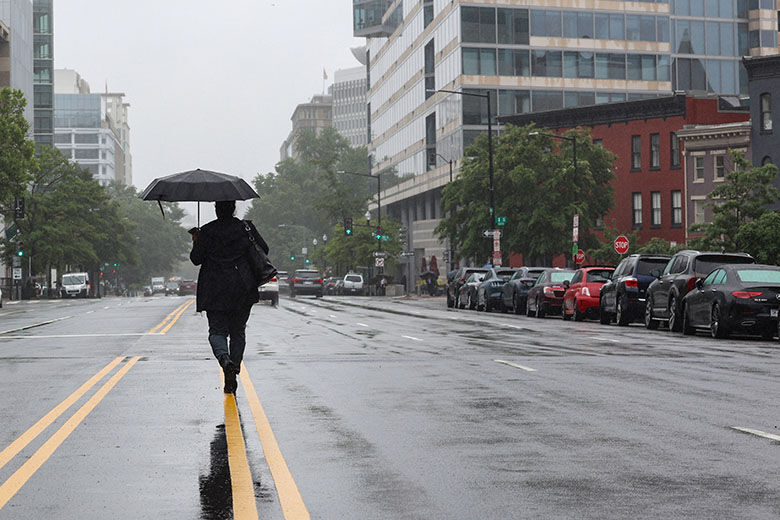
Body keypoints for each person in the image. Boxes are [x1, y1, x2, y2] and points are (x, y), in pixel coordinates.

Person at [190, 200, 260, 394]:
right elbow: (264, 249)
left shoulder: (206, 231)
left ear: (216, 210)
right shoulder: (245, 228)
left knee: (217, 332)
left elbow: (196, 259)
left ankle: (224, 360)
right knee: (238, 331)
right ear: (234, 209)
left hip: (214, 289)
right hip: (242, 287)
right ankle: (234, 368)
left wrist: (197, 240)